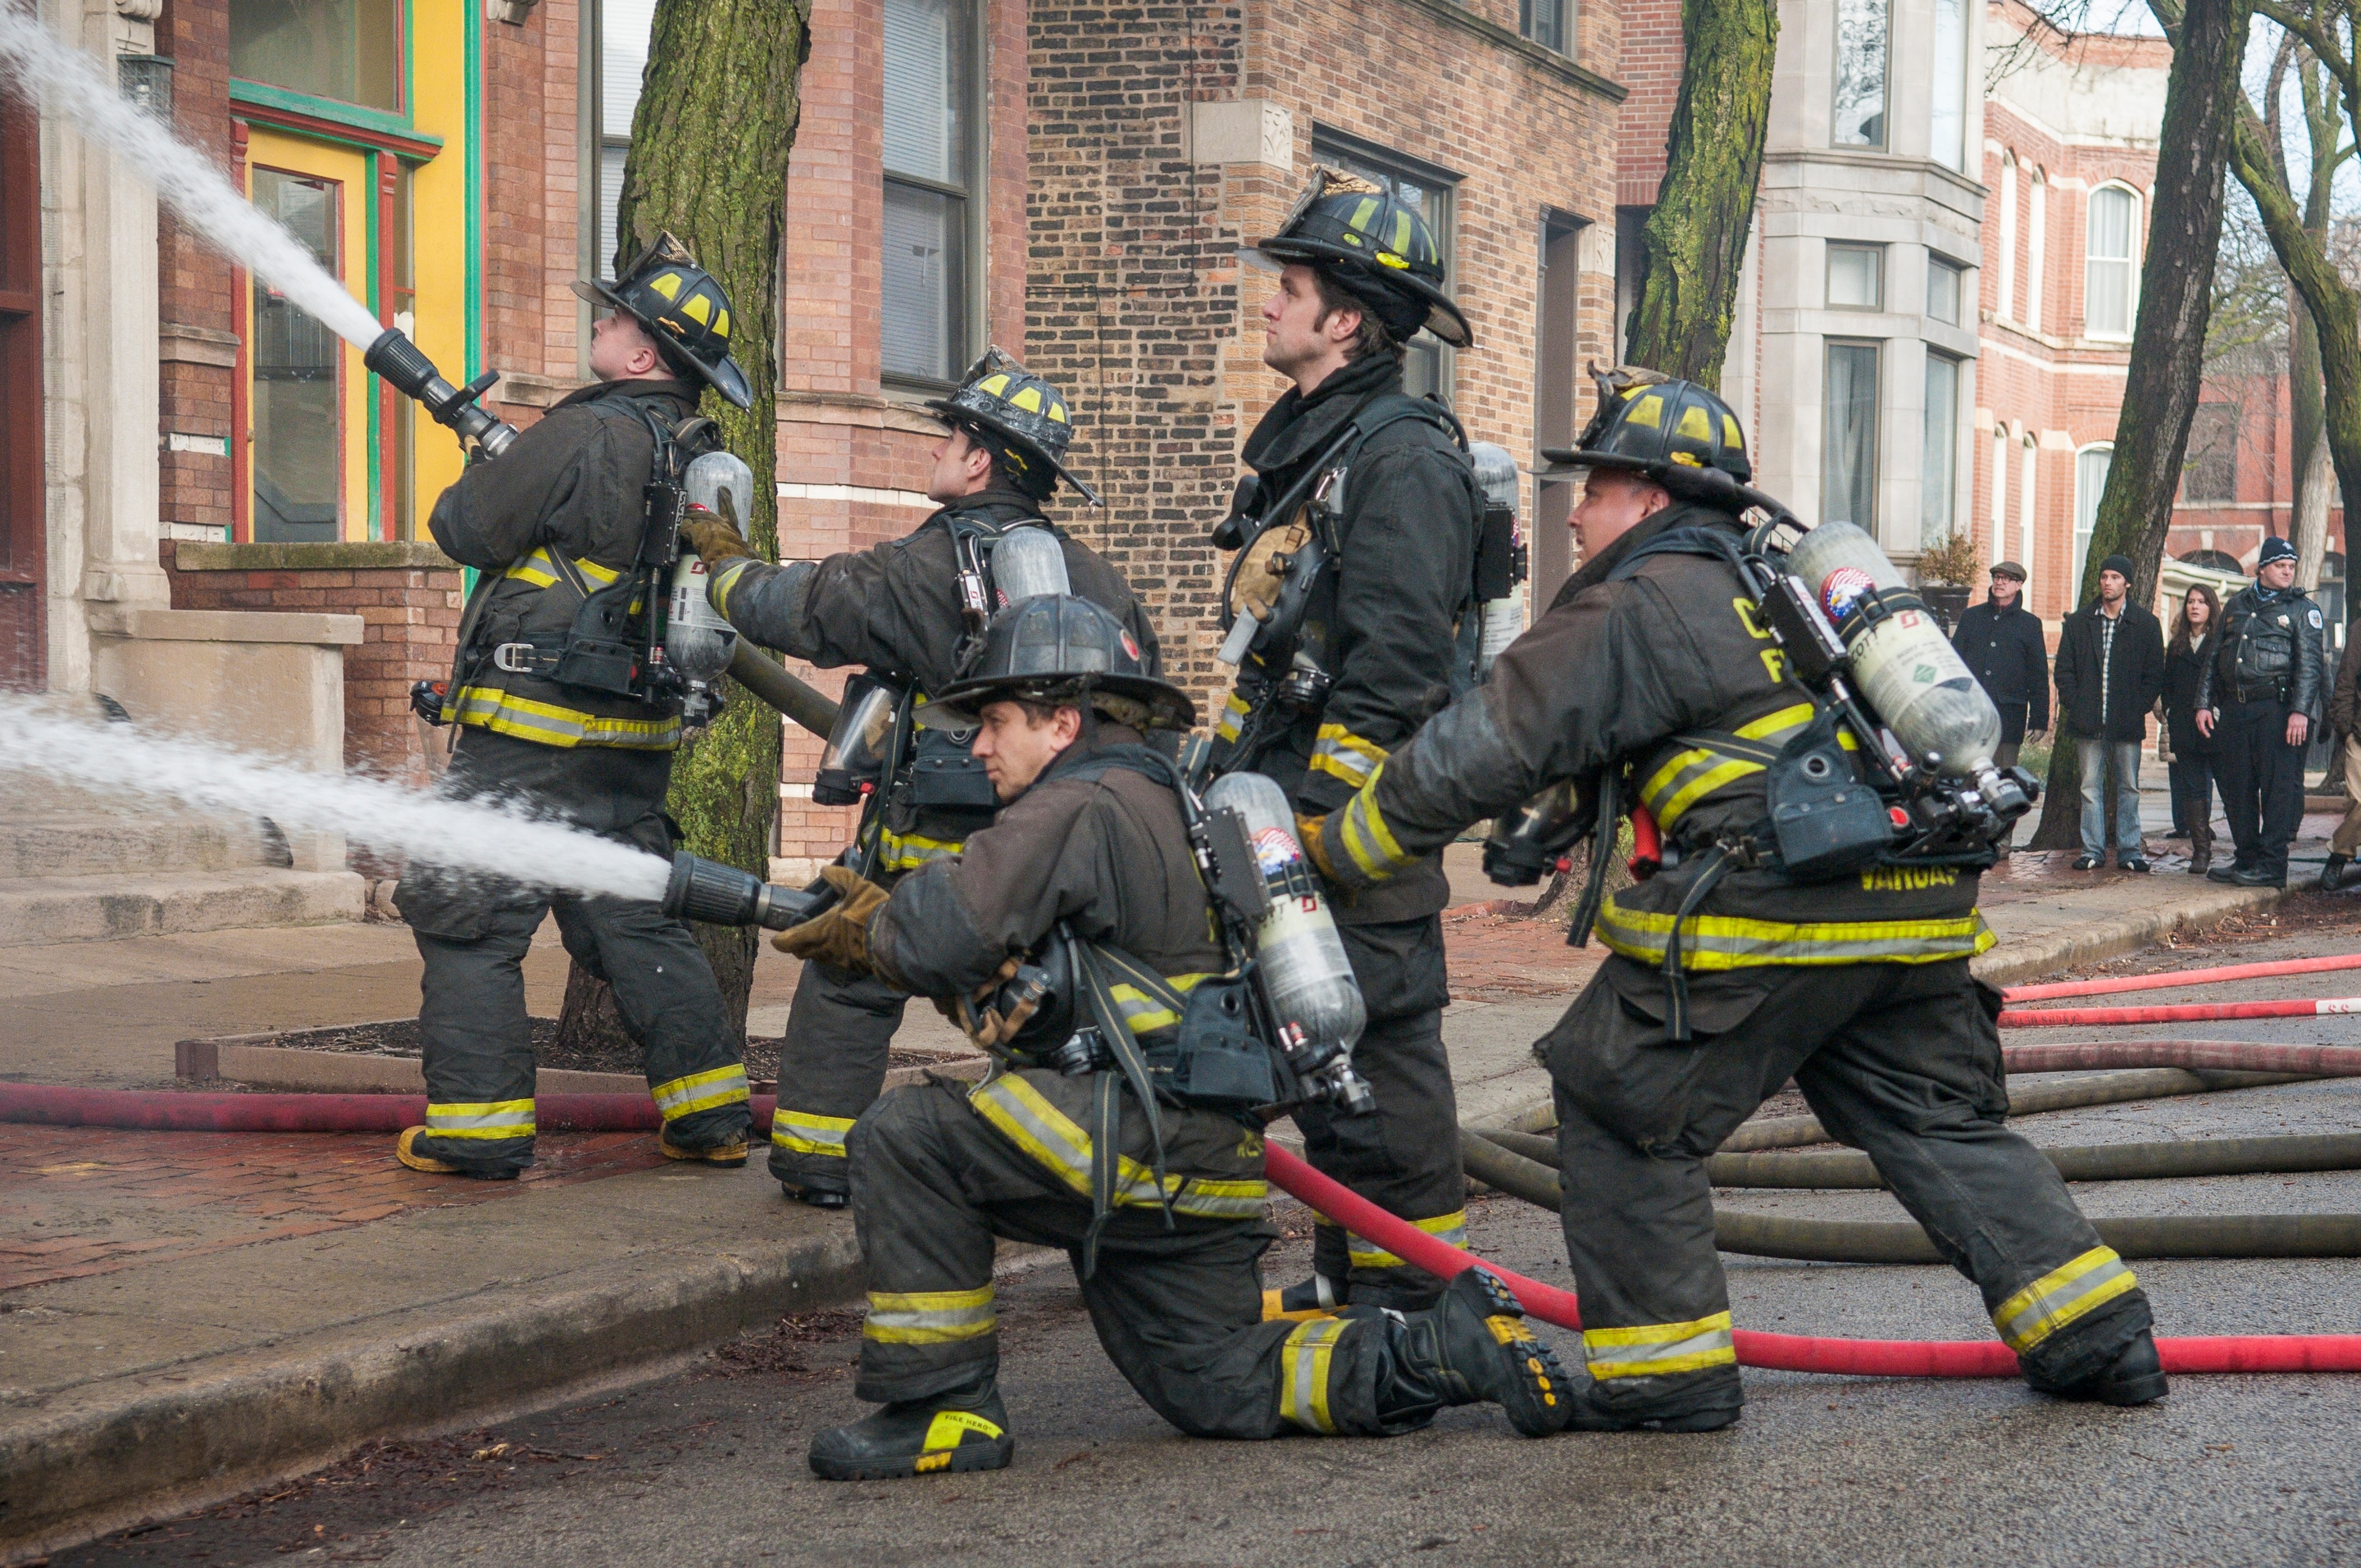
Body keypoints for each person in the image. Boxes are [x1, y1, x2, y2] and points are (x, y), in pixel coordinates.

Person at [1302, 367, 2166, 1432]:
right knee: (1937, 1121)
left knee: (1620, 1107)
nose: (1574, 510)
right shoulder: (1781, 586)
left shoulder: (1639, 599)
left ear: (1655, 496)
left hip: (1772, 908)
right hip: (1915, 907)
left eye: (1598, 485)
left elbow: (1483, 748)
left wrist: (1338, 848)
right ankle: (2099, 1333)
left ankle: (1665, 1375)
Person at [771, 595, 1569, 1479]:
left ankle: (940, 1406)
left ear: (1063, 720)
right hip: (1203, 1161)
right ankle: (1440, 1350)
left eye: (996, 720)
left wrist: (871, 927)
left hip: (1124, 1138)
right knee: (1214, 1378)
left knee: (906, 1138)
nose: (980, 745)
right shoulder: (1164, 795)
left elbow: (945, 931)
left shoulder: (1076, 802)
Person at [678, 352, 1161, 1208]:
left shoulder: (921, 565)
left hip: (934, 831)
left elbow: (794, 608)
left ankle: (819, 1160)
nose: (938, 446)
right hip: (1062, 831)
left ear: (979, 459)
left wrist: (721, 558)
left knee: (853, 971)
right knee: (1050, 985)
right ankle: (1072, 1156)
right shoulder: (1097, 578)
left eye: (952, 434)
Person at [391, 234, 755, 1179]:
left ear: (644, 356)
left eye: (619, 315)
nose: (602, 319)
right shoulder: (698, 451)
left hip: (531, 732)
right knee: (631, 909)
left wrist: (490, 464)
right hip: (636, 738)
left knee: (464, 910)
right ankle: (712, 1113)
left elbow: (466, 526)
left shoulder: (584, 427)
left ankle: (478, 1132)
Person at [1208, 166, 1485, 1316]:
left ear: (1350, 318)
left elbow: (1401, 659)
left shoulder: (1403, 457)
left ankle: (1418, 1305)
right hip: (1284, 804)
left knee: (1377, 1051)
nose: (1269, 303)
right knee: (1324, 1050)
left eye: (1294, 285)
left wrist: (1329, 820)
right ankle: (1361, 1279)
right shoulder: (1329, 444)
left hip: (1345, 824)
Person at [2200, 536, 2326, 889]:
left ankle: (2272, 865)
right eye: (2281, 566)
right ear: (2263, 569)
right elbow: (2214, 659)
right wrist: (2203, 703)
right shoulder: (2237, 604)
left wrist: (2300, 712)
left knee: (2277, 790)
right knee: (2237, 787)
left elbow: (2311, 667)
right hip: (2236, 709)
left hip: (2279, 710)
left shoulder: (2304, 611)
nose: (2288, 572)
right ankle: (2247, 857)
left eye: (2291, 567)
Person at [2052, 556, 2165, 873]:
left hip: (2126, 722)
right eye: (2104, 576)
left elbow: (2155, 673)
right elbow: (2064, 671)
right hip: (2087, 722)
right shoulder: (2079, 623)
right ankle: (2092, 850)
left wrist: (2137, 705)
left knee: (2129, 787)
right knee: (2090, 787)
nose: (2107, 582)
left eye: (2115, 577)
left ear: (2127, 583)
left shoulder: (2145, 624)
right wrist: (2076, 702)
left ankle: (2129, 850)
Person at [1949, 560, 2049, 854]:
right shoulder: (1971, 617)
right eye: (1996, 577)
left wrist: (2040, 718)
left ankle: (2002, 840)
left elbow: (2038, 674)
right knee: (1970, 777)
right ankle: (1972, 835)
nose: (2000, 583)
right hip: (1973, 715)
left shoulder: (2030, 625)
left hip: (2010, 715)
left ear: (2019, 585)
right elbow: (1954, 662)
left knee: (2006, 780)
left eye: (2007, 579)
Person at [2160, 584, 2222, 875]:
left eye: (2201, 602)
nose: (2194, 607)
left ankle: (2247, 851)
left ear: (2211, 607)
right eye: (2190, 602)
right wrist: (2171, 713)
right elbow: (2168, 686)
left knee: (2229, 788)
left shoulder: (2221, 642)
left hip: (2217, 726)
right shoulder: (2177, 645)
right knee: (2193, 789)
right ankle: (2201, 852)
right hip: (2185, 728)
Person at [2322, 608, 2361, 890]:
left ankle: (2339, 851)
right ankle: (2339, 853)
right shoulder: (2360, 629)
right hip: (2359, 734)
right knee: (2359, 802)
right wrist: (2346, 730)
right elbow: (2345, 680)